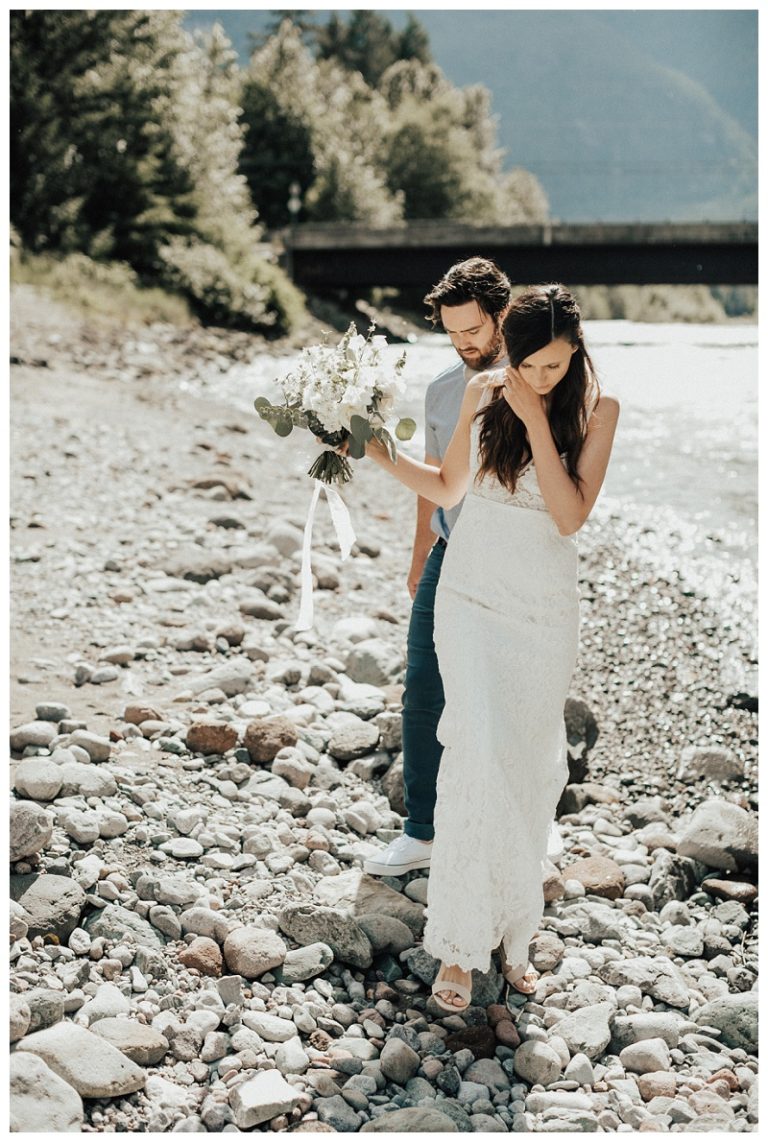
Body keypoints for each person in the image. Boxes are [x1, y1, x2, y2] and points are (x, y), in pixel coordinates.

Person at [360, 284, 619, 1010]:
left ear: (576, 355)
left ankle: (511, 936)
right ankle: (457, 951)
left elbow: (568, 516)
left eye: (557, 366)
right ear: (512, 349)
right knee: (473, 757)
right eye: (531, 366)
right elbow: (447, 489)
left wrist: (537, 417)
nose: (541, 379)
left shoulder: (599, 411)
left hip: (540, 613)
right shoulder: (481, 391)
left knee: (528, 771)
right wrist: (373, 449)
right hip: (469, 599)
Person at [363, 257, 513, 877]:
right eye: (452, 333)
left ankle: (510, 833)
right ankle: (421, 831)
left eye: (473, 329)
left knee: (502, 696)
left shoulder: (532, 380)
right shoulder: (443, 389)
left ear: (503, 314)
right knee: (422, 690)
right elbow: (433, 476)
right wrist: (420, 550)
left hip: (510, 560)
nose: (464, 343)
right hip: (450, 554)